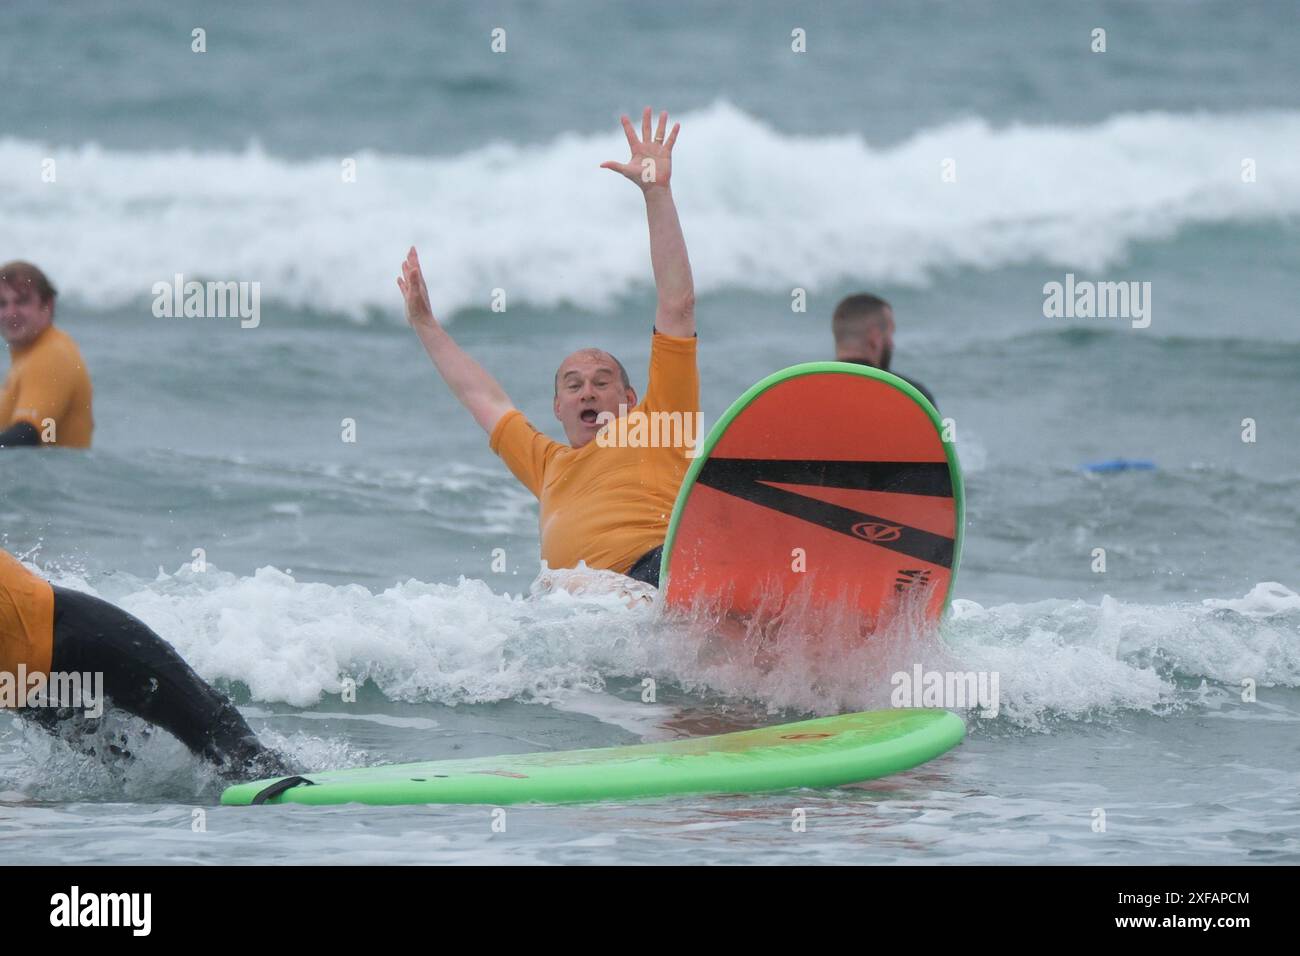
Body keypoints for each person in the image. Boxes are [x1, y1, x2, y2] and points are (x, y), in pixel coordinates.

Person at [397, 107, 697, 588]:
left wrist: (656, 194)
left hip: (655, 574)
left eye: (603, 383)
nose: (587, 393)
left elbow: (677, 306)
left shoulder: (659, 425)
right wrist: (425, 324)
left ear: (630, 400)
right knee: (553, 592)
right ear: (557, 407)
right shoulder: (547, 463)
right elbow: (486, 399)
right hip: (579, 618)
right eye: (573, 386)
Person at [0, 549, 285, 778]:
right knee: (137, 774)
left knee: (214, 731)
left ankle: (277, 784)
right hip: (28, 688)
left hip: (66, 631)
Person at [0, 262, 95, 448]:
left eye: (22, 301)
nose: (10, 313)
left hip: (58, 476)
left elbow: (27, 435)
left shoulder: (52, 356)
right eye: (2, 303)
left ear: (47, 305)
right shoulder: (27, 357)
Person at [832, 293, 937, 409]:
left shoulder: (812, 386)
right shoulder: (913, 396)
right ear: (875, 337)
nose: (892, 344)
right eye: (890, 334)